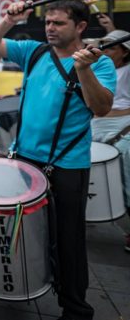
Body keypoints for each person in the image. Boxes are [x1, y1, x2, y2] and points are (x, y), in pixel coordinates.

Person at [0, 0, 115, 320]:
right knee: (25, 232)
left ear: (80, 27)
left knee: (68, 239)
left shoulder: (100, 63)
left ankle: (75, 307)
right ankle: (25, 284)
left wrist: (83, 70)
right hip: (25, 160)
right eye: (48, 22)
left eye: (59, 23)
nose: (50, 28)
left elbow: (102, 108)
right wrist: (9, 19)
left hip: (67, 165)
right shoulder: (35, 51)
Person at [89, 29, 130, 252]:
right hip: (95, 128)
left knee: (127, 183)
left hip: (124, 130)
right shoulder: (97, 68)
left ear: (125, 53)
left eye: (112, 47)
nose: (105, 50)